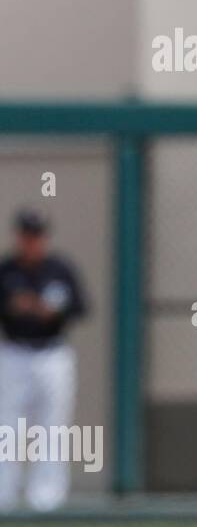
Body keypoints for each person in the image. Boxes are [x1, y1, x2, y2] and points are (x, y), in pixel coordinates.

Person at [0, 209, 88, 511]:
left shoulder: (59, 269)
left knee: (52, 425)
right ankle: (4, 497)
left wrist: (51, 311)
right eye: (26, 235)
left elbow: (80, 306)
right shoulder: (7, 270)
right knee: (7, 426)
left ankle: (46, 500)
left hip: (53, 353)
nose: (31, 241)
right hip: (14, 352)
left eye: (36, 235)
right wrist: (16, 306)